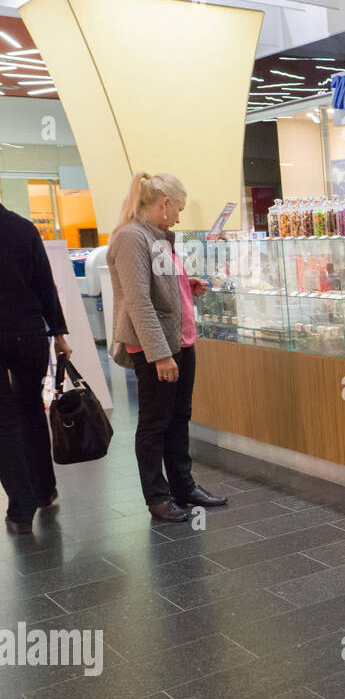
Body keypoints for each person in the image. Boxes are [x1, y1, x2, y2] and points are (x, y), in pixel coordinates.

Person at [107, 172, 227, 523]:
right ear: (164, 203)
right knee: (154, 423)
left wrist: (185, 285)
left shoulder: (157, 237)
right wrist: (160, 354)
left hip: (179, 341)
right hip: (155, 348)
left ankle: (183, 486)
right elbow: (138, 301)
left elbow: (157, 286)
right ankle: (157, 497)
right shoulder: (131, 238)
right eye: (179, 209)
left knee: (178, 417)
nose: (179, 216)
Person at [0, 201, 72, 534]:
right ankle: (44, 488)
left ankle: (20, 509)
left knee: (4, 420)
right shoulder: (23, 227)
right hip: (28, 331)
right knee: (30, 408)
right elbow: (45, 283)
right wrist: (59, 333)